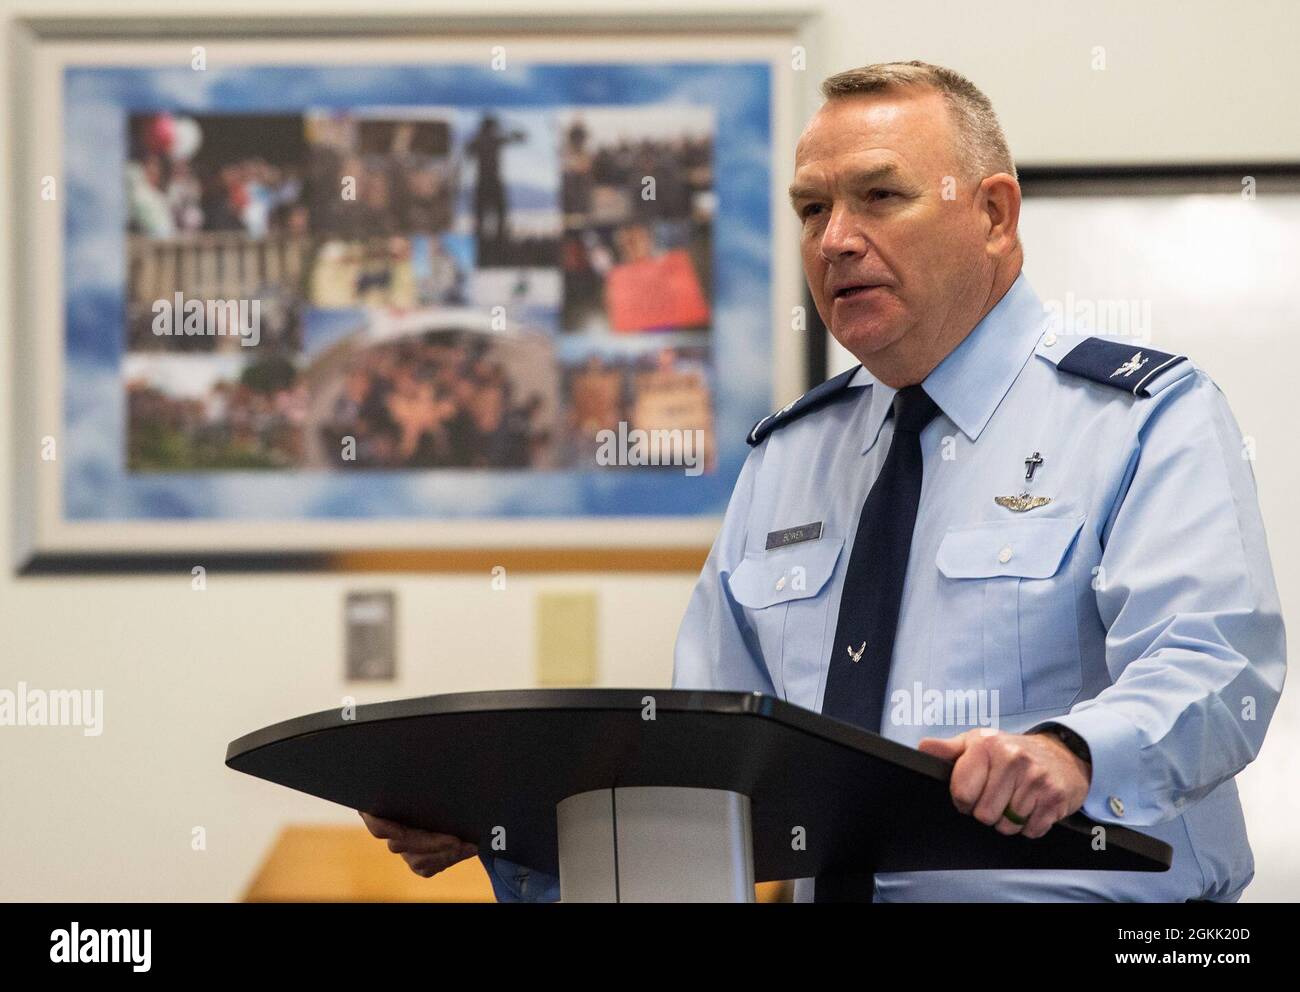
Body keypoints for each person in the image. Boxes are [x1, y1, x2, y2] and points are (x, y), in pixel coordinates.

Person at [361, 60, 1285, 902]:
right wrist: (514, 830)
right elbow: (705, 779)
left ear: (995, 215)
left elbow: (1219, 670)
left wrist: (1072, 755)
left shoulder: (1139, 415)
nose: (836, 239)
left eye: (880, 196)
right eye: (811, 210)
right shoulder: (788, 458)